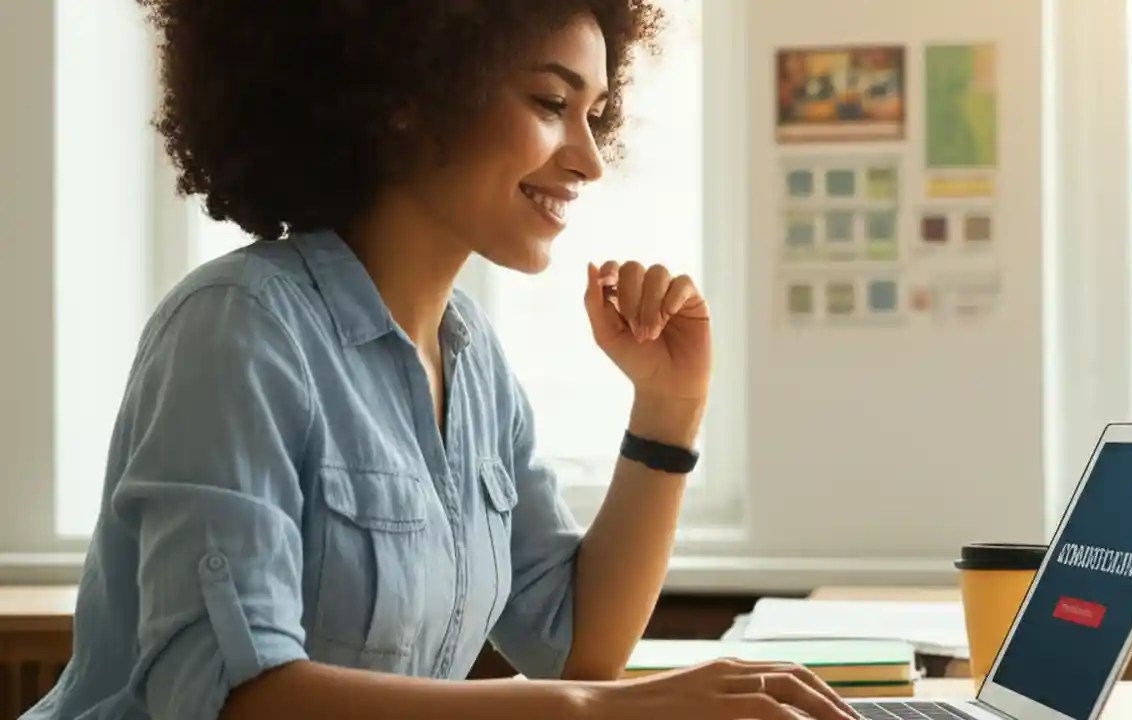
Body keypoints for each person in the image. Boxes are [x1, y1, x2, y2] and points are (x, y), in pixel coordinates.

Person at [23, 1, 857, 719]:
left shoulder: (474, 361)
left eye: (594, 113)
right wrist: (594, 712)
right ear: (410, 96)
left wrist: (668, 411)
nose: (590, 157)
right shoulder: (237, 327)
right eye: (550, 101)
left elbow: (576, 647)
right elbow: (239, 698)